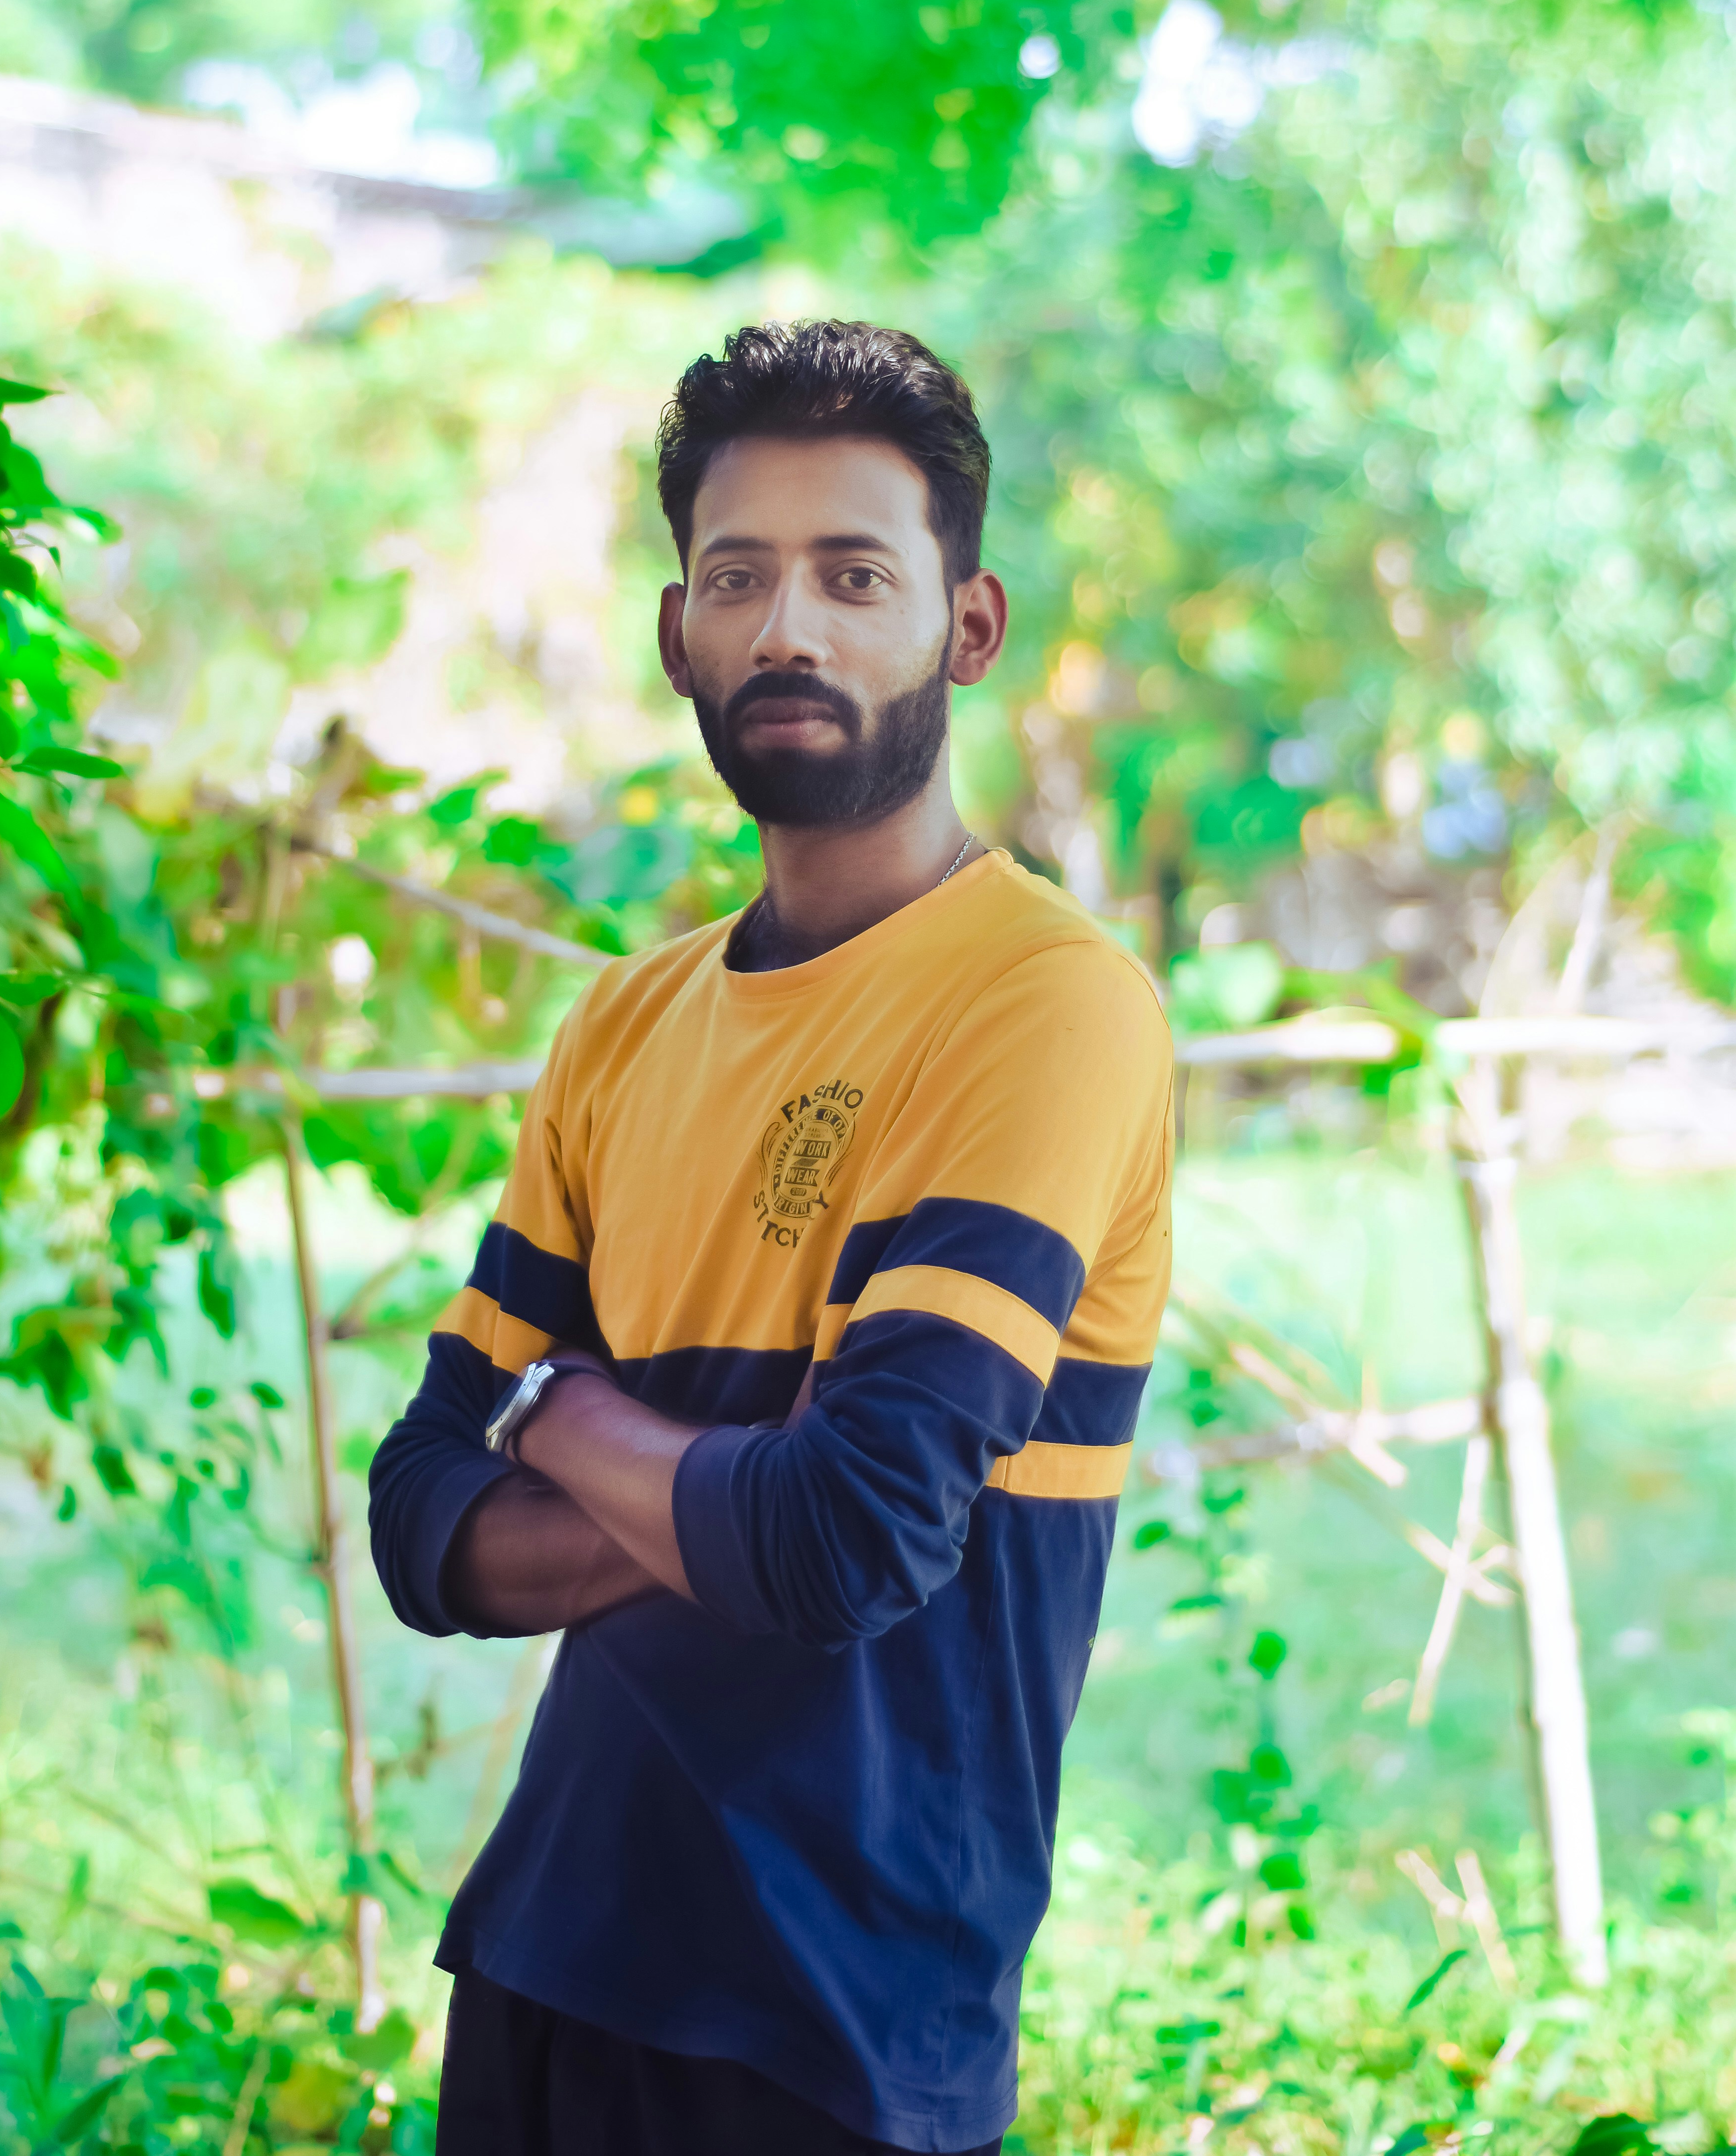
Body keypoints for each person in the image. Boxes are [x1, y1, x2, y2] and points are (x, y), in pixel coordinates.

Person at [369, 320, 1173, 2156]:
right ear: (680, 636)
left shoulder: (1045, 1007)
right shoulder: (623, 1026)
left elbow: (843, 1541)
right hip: (545, 1961)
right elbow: (419, 1521)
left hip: (842, 2023)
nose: (787, 630)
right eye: (738, 578)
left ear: (965, 629)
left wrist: (560, 1414)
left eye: (853, 574)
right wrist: (726, 1491)